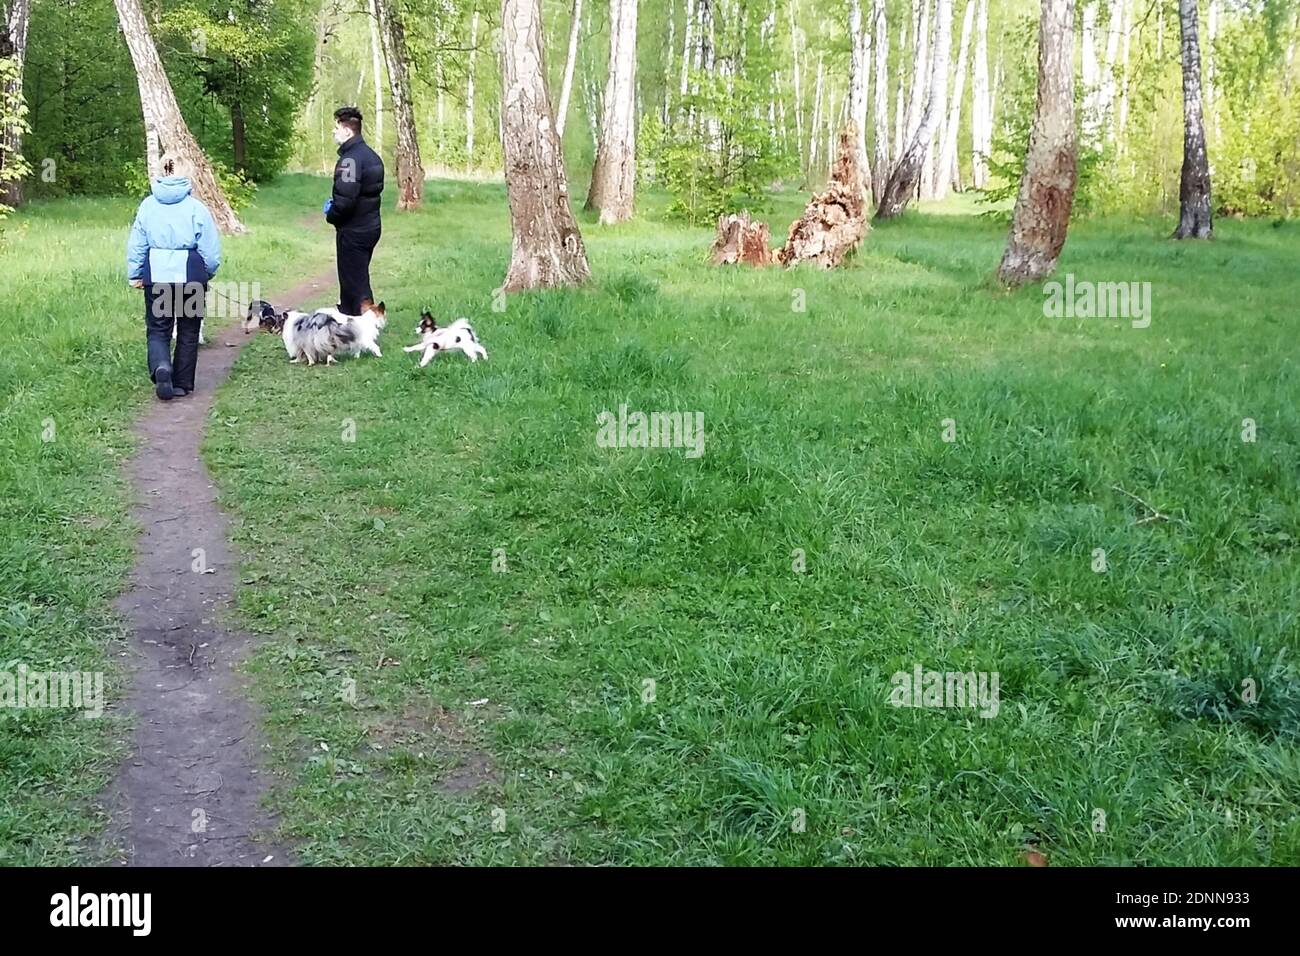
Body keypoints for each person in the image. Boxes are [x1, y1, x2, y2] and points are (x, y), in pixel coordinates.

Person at [126, 155, 221, 401]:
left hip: (157, 273)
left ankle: (161, 366)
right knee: (189, 329)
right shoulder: (197, 208)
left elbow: (138, 243)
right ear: (187, 175)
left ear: (161, 172)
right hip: (190, 273)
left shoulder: (147, 206)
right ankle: (181, 383)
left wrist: (135, 274)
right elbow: (210, 252)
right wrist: (206, 274)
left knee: (158, 328)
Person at [325, 106, 384, 315]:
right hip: (371, 227)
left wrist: (331, 214)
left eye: (336, 127)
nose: (334, 132)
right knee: (356, 279)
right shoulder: (371, 156)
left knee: (355, 284)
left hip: (354, 231)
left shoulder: (350, 161)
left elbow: (345, 200)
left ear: (348, 131)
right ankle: (351, 321)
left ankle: (365, 326)